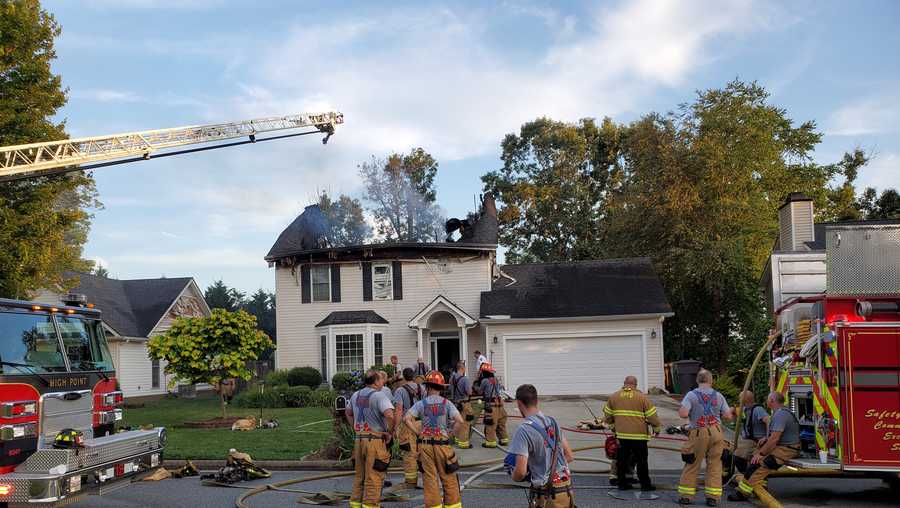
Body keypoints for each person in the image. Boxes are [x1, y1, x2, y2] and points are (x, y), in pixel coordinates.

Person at [506, 383, 575, 508]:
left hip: (546, 496)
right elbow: (569, 456)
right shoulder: (553, 422)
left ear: (519, 404)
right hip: (566, 491)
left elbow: (520, 472)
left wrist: (513, 474)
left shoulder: (524, 430)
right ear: (536, 401)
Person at [404, 371, 464, 508]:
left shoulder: (421, 403)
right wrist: (449, 435)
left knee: (430, 479)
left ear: (428, 387)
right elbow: (460, 421)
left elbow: (406, 418)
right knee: (449, 477)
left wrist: (418, 432)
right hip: (442, 445)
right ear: (441, 387)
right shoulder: (446, 403)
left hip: (425, 446)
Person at [729, 392, 801, 502]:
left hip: (787, 449)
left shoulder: (781, 414)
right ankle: (759, 486)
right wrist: (766, 438)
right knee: (753, 460)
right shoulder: (780, 413)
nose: (766, 402)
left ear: (772, 400)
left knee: (759, 464)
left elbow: (775, 439)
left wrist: (761, 454)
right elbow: (773, 437)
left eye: (768, 400)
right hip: (782, 446)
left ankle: (742, 492)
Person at [676, 369, 734, 507]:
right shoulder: (718, 396)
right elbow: (727, 416)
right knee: (714, 465)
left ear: (697, 380)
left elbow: (683, 414)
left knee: (692, 464)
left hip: (698, 433)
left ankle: (686, 496)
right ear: (711, 380)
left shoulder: (691, 395)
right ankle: (713, 497)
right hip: (717, 433)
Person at [345, 369, 396, 508]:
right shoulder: (379, 396)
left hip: (359, 439)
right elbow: (390, 415)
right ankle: (370, 505)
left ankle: (355, 503)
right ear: (375, 381)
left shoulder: (356, 395)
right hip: (374, 440)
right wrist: (389, 432)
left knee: (359, 476)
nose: (382, 382)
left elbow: (348, 412)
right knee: (374, 476)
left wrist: (355, 428)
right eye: (380, 379)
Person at [603, 375, 661, 492]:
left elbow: (607, 415)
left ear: (624, 383)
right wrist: (657, 428)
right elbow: (652, 416)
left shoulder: (614, 396)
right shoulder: (641, 397)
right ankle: (645, 485)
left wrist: (614, 426)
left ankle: (622, 484)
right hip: (639, 436)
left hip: (622, 436)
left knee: (621, 460)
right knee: (642, 461)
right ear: (635, 385)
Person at [393, 367, 424, 487]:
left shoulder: (400, 390)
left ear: (404, 377)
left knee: (409, 451)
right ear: (414, 376)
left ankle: (411, 480)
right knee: (422, 449)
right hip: (421, 422)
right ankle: (426, 478)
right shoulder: (422, 388)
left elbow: (399, 409)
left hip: (408, 423)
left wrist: (396, 427)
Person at [733, 390, 769, 474]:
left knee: (737, 456)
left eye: (740, 398)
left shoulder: (757, 409)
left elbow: (768, 420)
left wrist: (767, 437)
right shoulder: (746, 409)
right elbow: (738, 420)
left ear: (744, 400)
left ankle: (747, 475)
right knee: (731, 452)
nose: (739, 400)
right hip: (749, 440)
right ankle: (746, 474)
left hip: (757, 442)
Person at [479, 362, 508, 447]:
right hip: (499, 404)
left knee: (490, 424)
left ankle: (490, 443)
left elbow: (480, 391)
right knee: (500, 424)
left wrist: (477, 386)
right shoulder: (495, 379)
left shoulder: (484, 380)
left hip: (491, 406)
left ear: (484, 372)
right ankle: (504, 440)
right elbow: (498, 390)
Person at [449, 361, 474, 449]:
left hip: (455, 403)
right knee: (465, 423)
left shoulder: (452, 378)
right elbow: (469, 392)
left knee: (457, 421)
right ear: (462, 368)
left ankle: (455, 438)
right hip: (464, 403)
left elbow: (450, 389)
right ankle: (463, 443)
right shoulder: (465, 379)